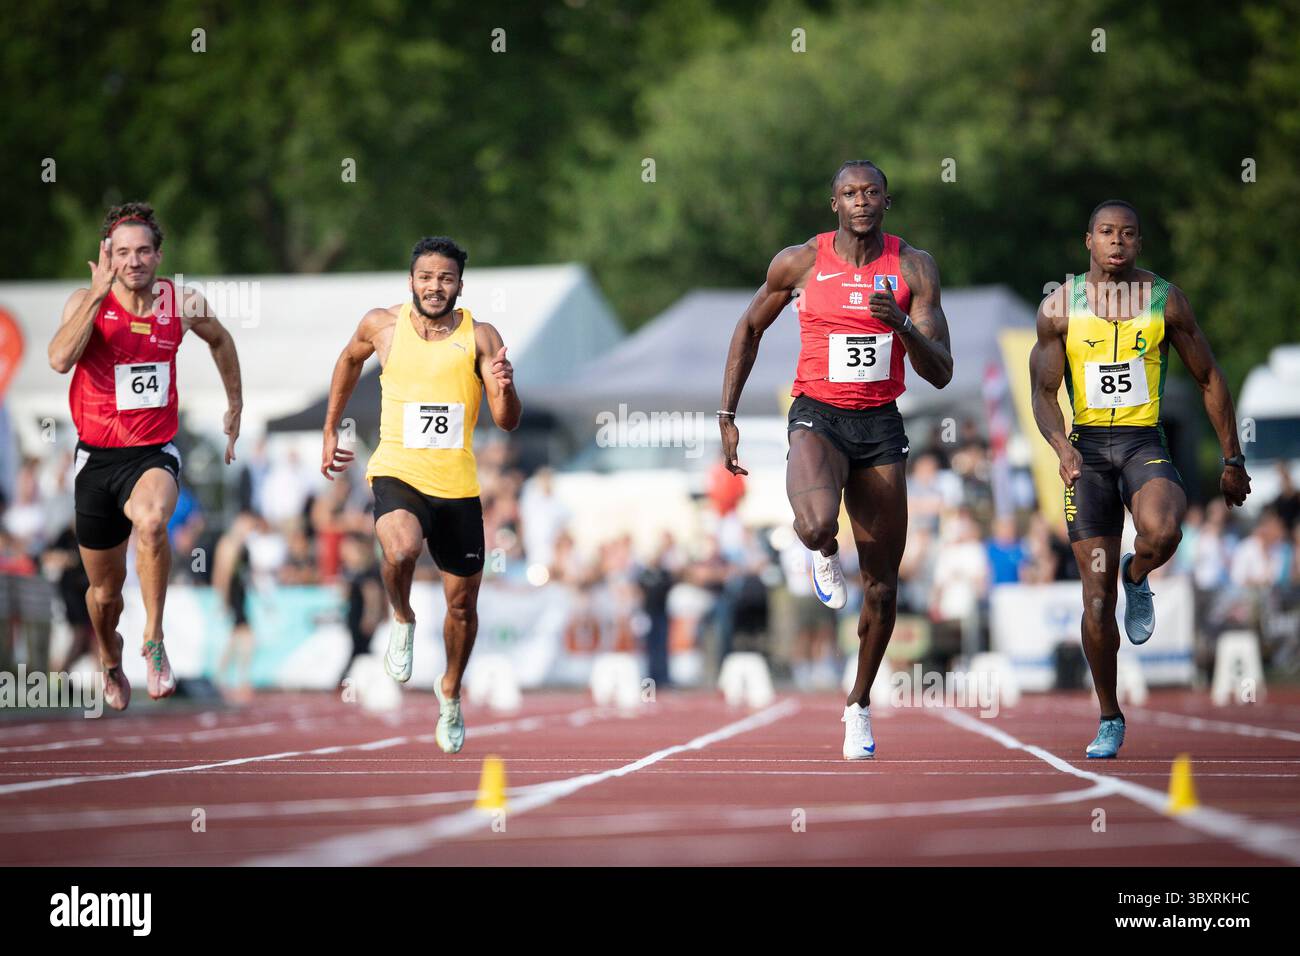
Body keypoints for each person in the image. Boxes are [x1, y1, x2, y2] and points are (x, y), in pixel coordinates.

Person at [719, 160, 953, 758]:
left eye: (871, 192)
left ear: (886, 202)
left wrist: (902, 324)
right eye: (849, 193)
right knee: (816, 524)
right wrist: (728, 416)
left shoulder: (912, 266)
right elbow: (748, 329)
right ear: (834, 205)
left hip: (879, 425)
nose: (861, 201)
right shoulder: (798, 262)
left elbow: (941, 370)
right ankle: (822, 553)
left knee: (881, 587)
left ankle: (858, 704)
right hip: (817, 416)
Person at [1029, 199, 1251, 758]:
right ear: (1088, 241)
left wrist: (1231, 458)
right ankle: (1109, 715)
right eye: (1107, 233)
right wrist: (1060, 446)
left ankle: (1138, 569)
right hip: (1087, 453)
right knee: (1097, 604)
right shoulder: (1059, 307)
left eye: (1128, 234)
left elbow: (1209, 377)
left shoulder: (1165, 301)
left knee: (1164, 532)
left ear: (1139, 243)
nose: (1117, 242)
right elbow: (1042, 392)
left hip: (1141, 443)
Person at [321, 236, 520, 753]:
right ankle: (403, 614)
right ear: (411, 280)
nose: (435, 287)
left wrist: (505, 384)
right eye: (426, 277)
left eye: (446, 278)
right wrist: (330, 429)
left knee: (460, 608)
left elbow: (506, 420)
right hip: (397, 471)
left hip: (457, 488)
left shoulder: (481, 336)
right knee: (401, 547)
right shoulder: (381, 326)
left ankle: (450, 690)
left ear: (459, 284)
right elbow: (347, 362)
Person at [47, 202, 243, 710]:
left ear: (159, 256)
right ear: (107, 256)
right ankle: (110, 657)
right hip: (96, 460)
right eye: (122, 252)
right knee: (104, 595)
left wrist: (235, 404)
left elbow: (220, 340)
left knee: (155, 521)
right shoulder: (85, 301)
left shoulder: (182, 304)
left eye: (142, 252)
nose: (132, 261)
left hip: (152, 452)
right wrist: (93, 297)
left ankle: (154, 641)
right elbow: (59, 359)